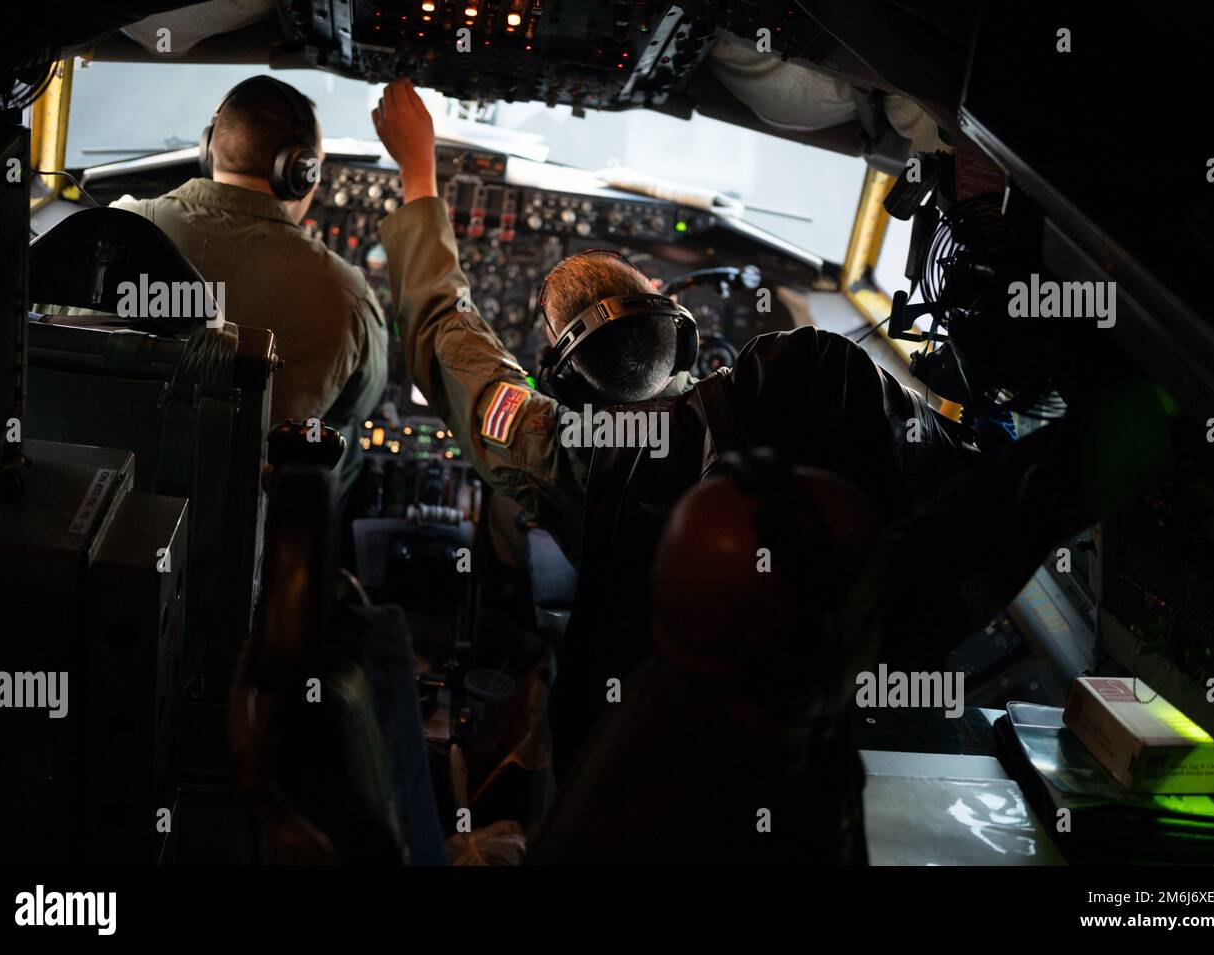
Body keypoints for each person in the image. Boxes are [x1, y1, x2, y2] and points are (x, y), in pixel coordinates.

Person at [370, 78, 978, 775]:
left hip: (666, 743)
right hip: (830, 729)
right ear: (674, 322)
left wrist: (418, 174)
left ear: (563, 375)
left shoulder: (565, 453)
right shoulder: (805, 391)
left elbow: (446, 336)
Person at [109, 74, 388, 497]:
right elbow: (361, 403)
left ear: (208, 149)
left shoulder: (116, 231)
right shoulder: (347, 294)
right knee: (346, 438)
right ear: (301, 170)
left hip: (107, 492)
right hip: (237, 515)